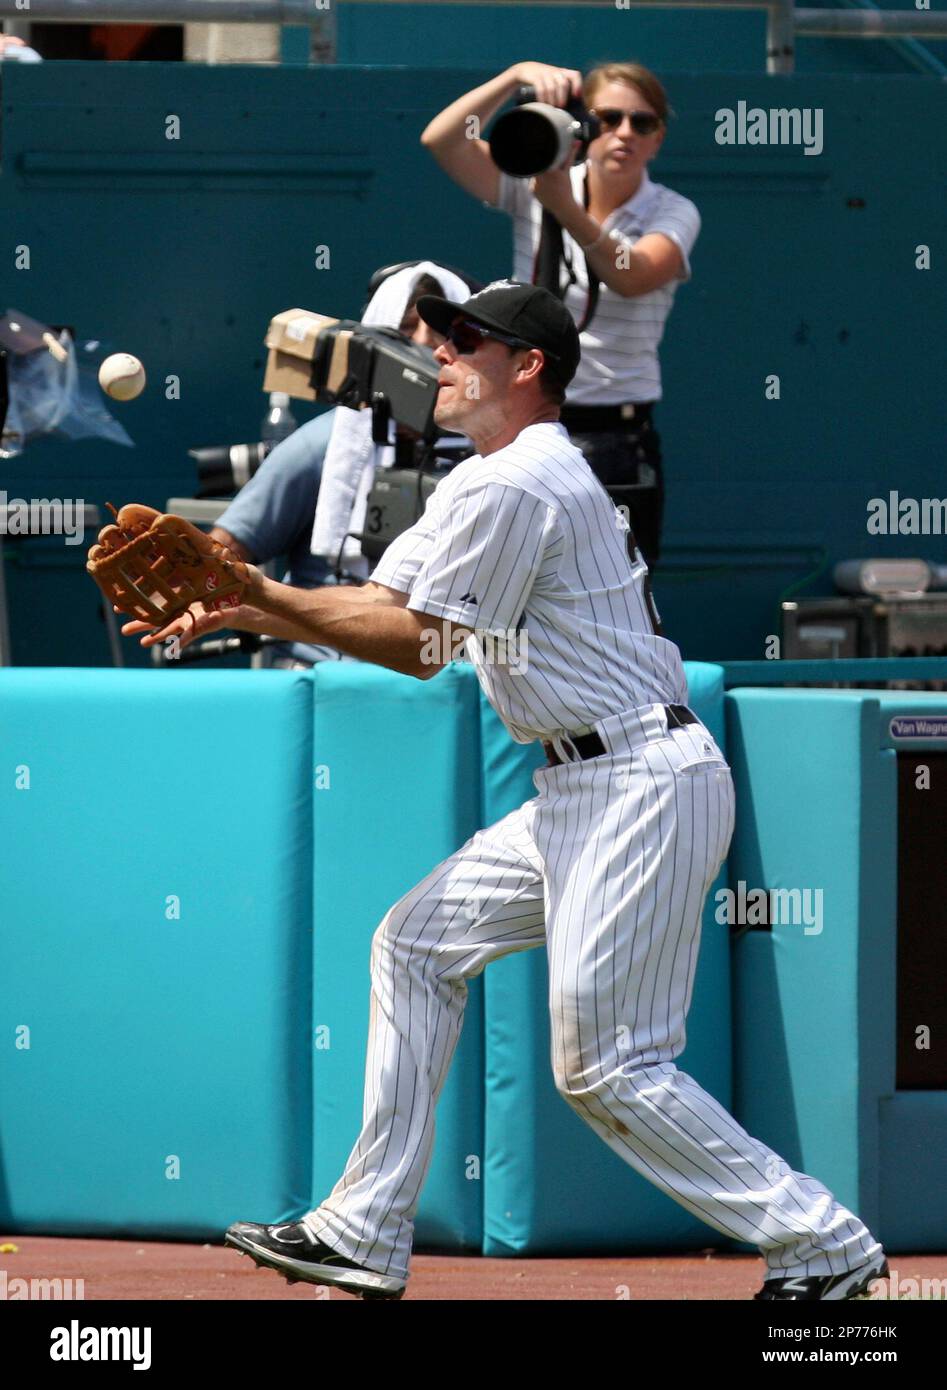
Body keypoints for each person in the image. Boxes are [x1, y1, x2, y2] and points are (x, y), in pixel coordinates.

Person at [123, 281, 887, 1303]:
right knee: (414, 942)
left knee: (608, 1067)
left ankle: (822, 1242)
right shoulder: (483, 477)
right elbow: (393, 608)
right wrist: (241, 598)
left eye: (465, 341)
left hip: (635, 782)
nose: (440, 354)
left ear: (526, 366)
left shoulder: (517, 479)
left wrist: (257, 596)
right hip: (585, 784)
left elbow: (409, 650)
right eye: (440, 337)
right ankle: (363, 1225)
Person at [421, 59, 700, 571]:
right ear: (581, 126)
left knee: (610, 583)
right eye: (607, 118)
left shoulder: (671, 210)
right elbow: (444, 140)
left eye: (643, 123)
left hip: (613, 433)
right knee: (500, 576)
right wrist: (512, 78)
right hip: (521, 418)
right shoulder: (539, 178)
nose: (624, 134)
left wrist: (562, 205)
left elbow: (631, 273)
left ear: (659, 139)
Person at [208, 262, 471, 668]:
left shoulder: (485, 455)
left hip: (441, 675)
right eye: (404, 329)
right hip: (320, 669)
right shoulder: (323, 444)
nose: (422, 344)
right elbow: (223, 551)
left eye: (438, 333)